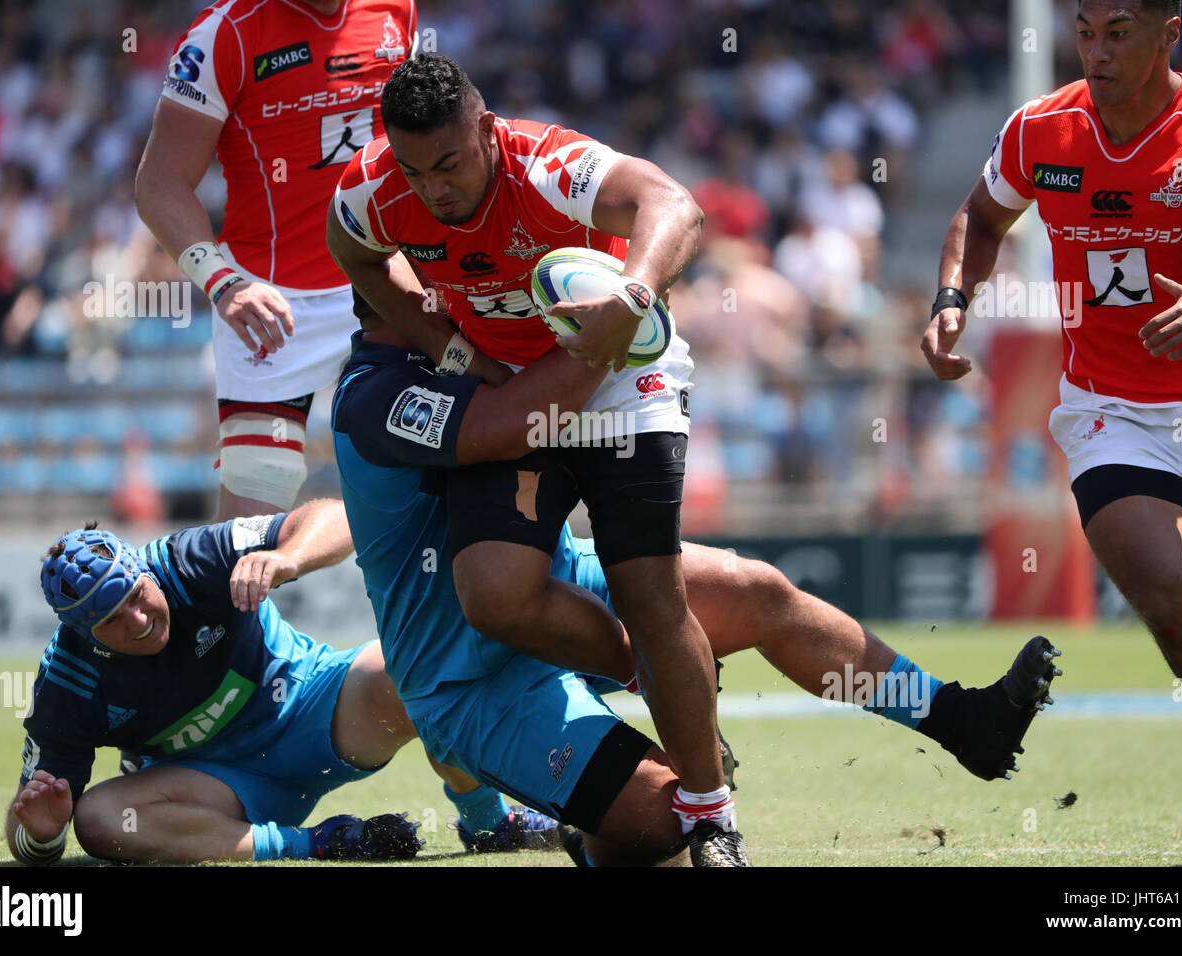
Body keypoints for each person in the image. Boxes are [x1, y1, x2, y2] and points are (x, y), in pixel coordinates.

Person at [330, 314, 1064, 866]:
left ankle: (962, 721)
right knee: (666, 830)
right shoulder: (375, 395)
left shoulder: (471, 328)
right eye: (421, 275)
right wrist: (618, 329)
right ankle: (594, 837)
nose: (443, 278)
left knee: (760, 592)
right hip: (472, 677)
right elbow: (510, 419)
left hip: (559, 580)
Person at [327, 52, 741, 863]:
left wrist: (634, 296)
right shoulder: (370, 192)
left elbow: (675, 204)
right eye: (415, 172)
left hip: (624, 377)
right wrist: (447, 348)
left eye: (448, 164)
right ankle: (654, 677)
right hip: (522, 393)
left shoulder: (549, 164)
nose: (433, 190)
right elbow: (354, 258)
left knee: (650, 592)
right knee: (492, 591)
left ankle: (712, 815)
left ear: (486, 131)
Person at [919, 0, 1182, 855]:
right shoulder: (1039, 131)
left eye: (1118, 32)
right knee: (1173, 610)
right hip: (1110, 410)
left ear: (1169, 33)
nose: (1095, 51)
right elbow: (980, 220)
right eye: (1085, 30)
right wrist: (953, 300)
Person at [7, 498, 546, 865]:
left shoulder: (187, 560)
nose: (139, 620)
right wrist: (42, 832)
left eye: (135, 597)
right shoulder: (68, 681)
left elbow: (334, 516)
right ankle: (316, 843)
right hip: (220, 790)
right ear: (84, 633)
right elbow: (28, 828)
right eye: (112, 621)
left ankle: (487, 823)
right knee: (101, 819)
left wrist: (288, 557)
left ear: (142, 571)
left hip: (317, 707)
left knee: (419, 661)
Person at [136, 0, 417, 519]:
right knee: (245, 534)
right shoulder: (223, 35)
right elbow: (159, 183)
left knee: (425, 496)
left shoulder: (397, 8)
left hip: (386, 279)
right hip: (268, 301)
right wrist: (222, 284)